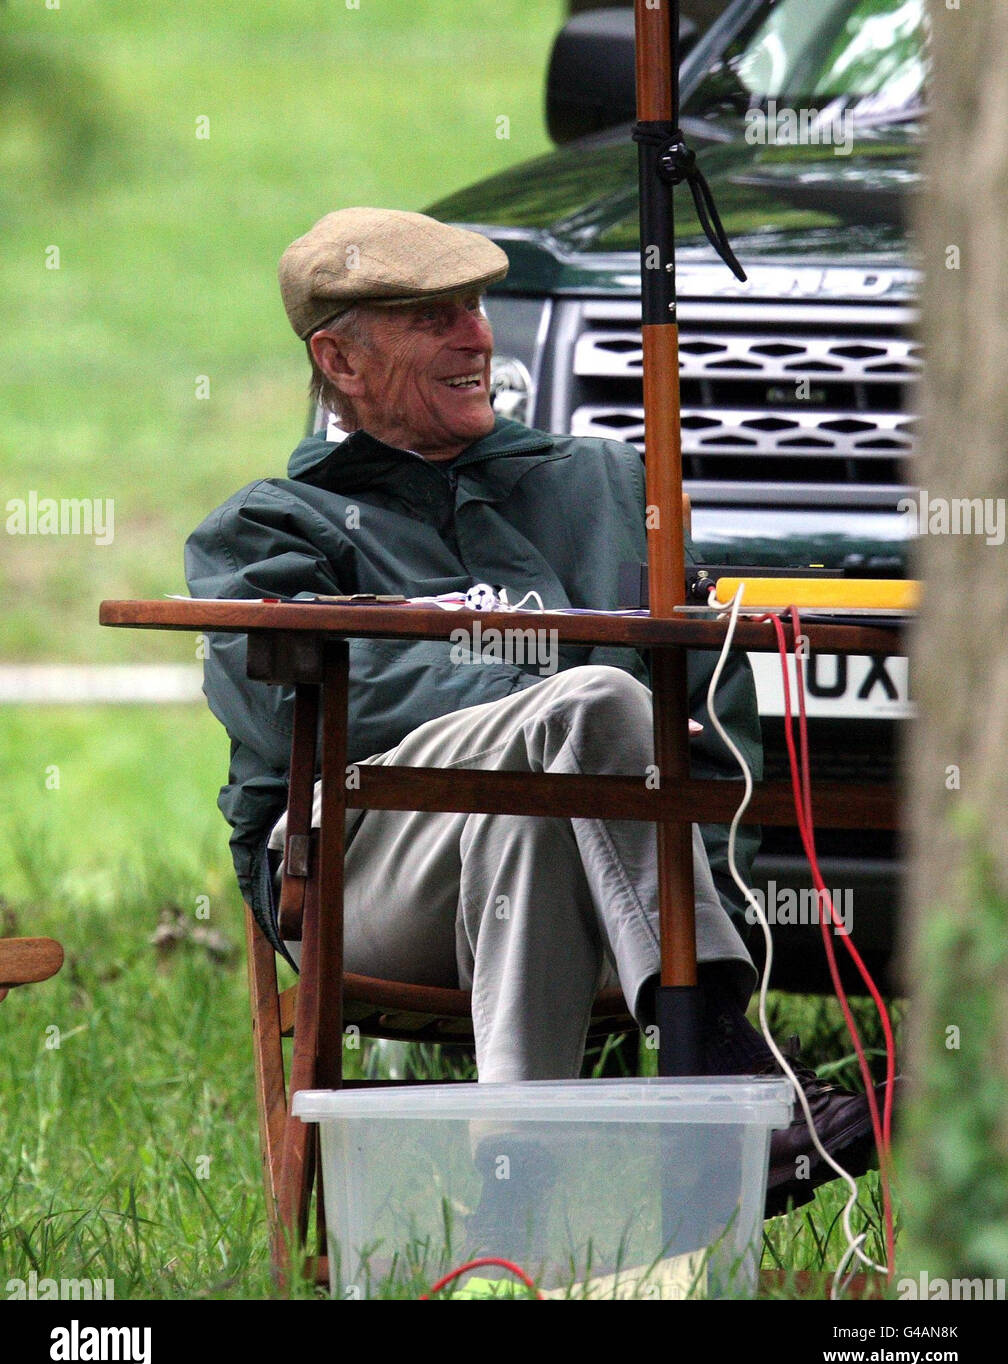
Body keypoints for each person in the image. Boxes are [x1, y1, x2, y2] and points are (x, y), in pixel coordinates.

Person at [185, 206, 890, 1218]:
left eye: (476, 306)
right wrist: (568, 696)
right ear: (338, 360)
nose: (477, 337)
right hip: (364, 873)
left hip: (591, 877)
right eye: (433, 316)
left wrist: (649, 727)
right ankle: (724, 1065)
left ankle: (512, 1200)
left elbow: (715, 682)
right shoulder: (268, 529)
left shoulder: (604, 485)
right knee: (592, 707)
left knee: (540, 796)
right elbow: (303, 707)